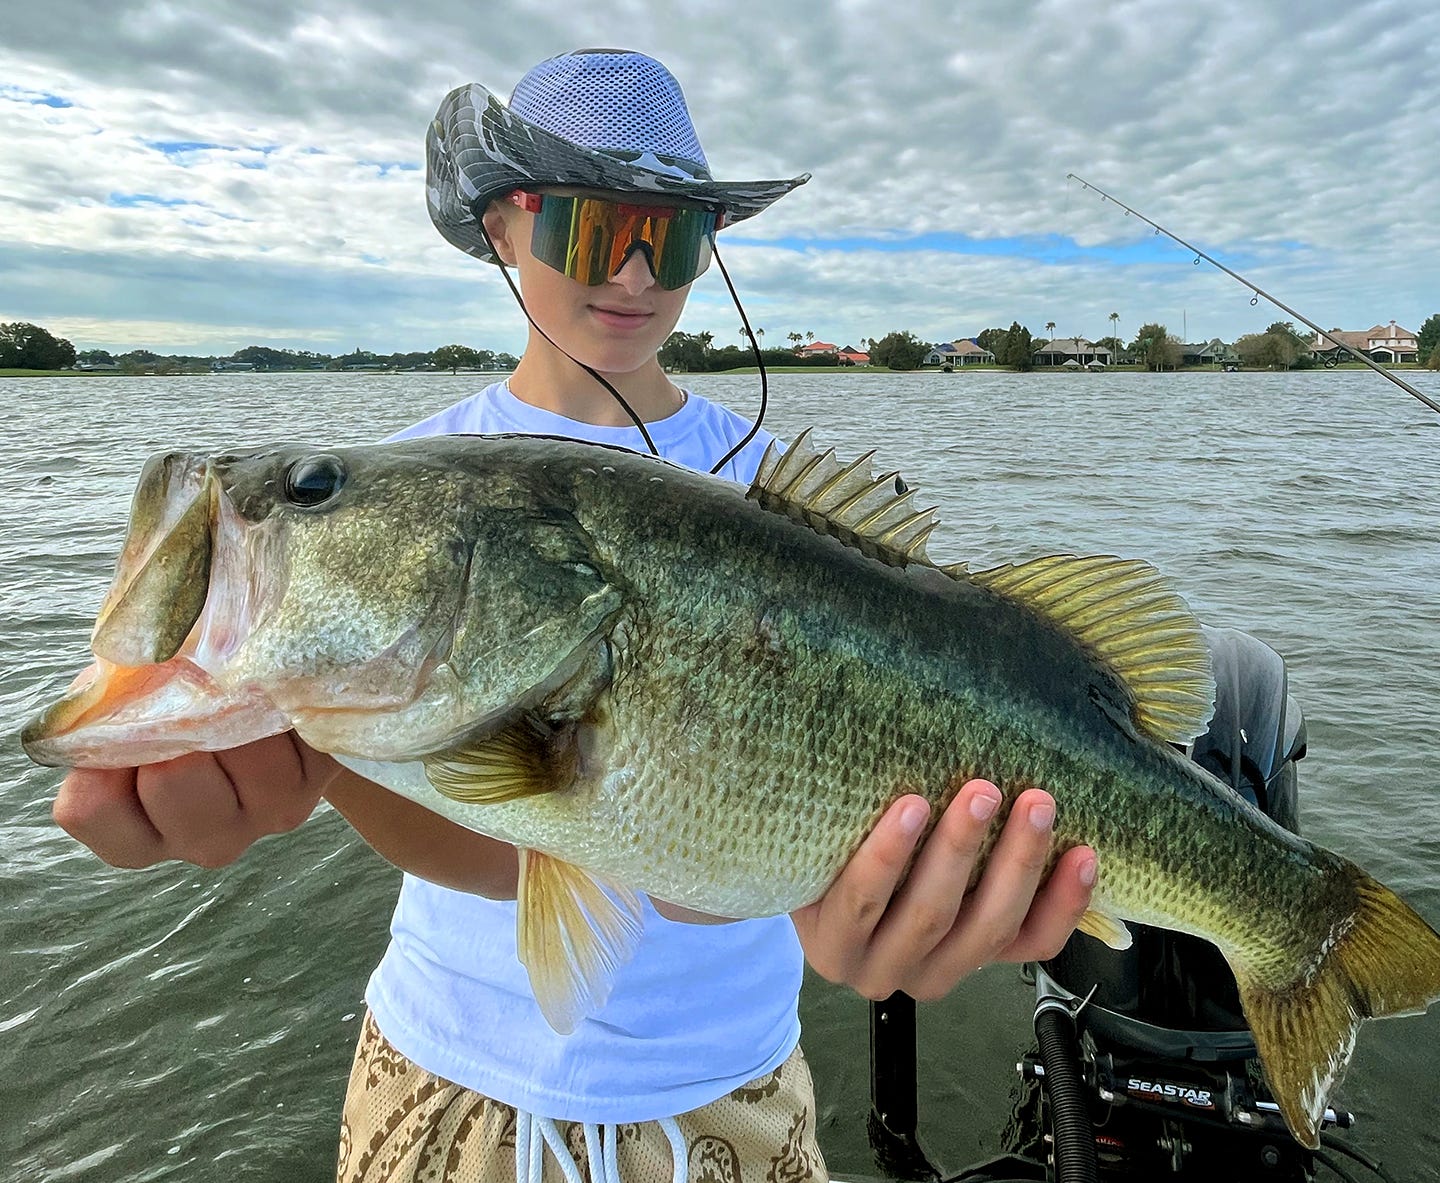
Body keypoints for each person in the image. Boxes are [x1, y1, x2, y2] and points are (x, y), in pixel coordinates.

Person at [52, 49, 1097, 1183]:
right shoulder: (410, 481)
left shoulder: (778, 506)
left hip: (729, 1088)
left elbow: (682, 846)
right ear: (503, 229)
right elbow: (537, 833)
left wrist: (855, 899)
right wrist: (321, 748)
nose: (639, 273)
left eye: (677, 235)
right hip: (445, 1068)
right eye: (597, 231)